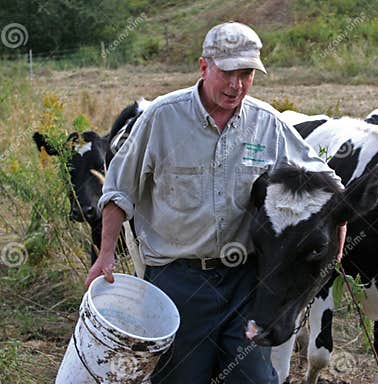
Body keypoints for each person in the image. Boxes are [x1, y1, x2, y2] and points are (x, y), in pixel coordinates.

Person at [85, 21, 346, 384]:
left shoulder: (266, 124)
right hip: (177, 280)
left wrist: (337, 244)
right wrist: (106, 254)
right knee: (181, 378)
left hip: (244, 282)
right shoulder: (163, 118)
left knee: (254, 378)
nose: (236, 85)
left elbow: (330, 184)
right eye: (227, 72)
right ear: (204, 66)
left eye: (247, 73)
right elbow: (118, 190)